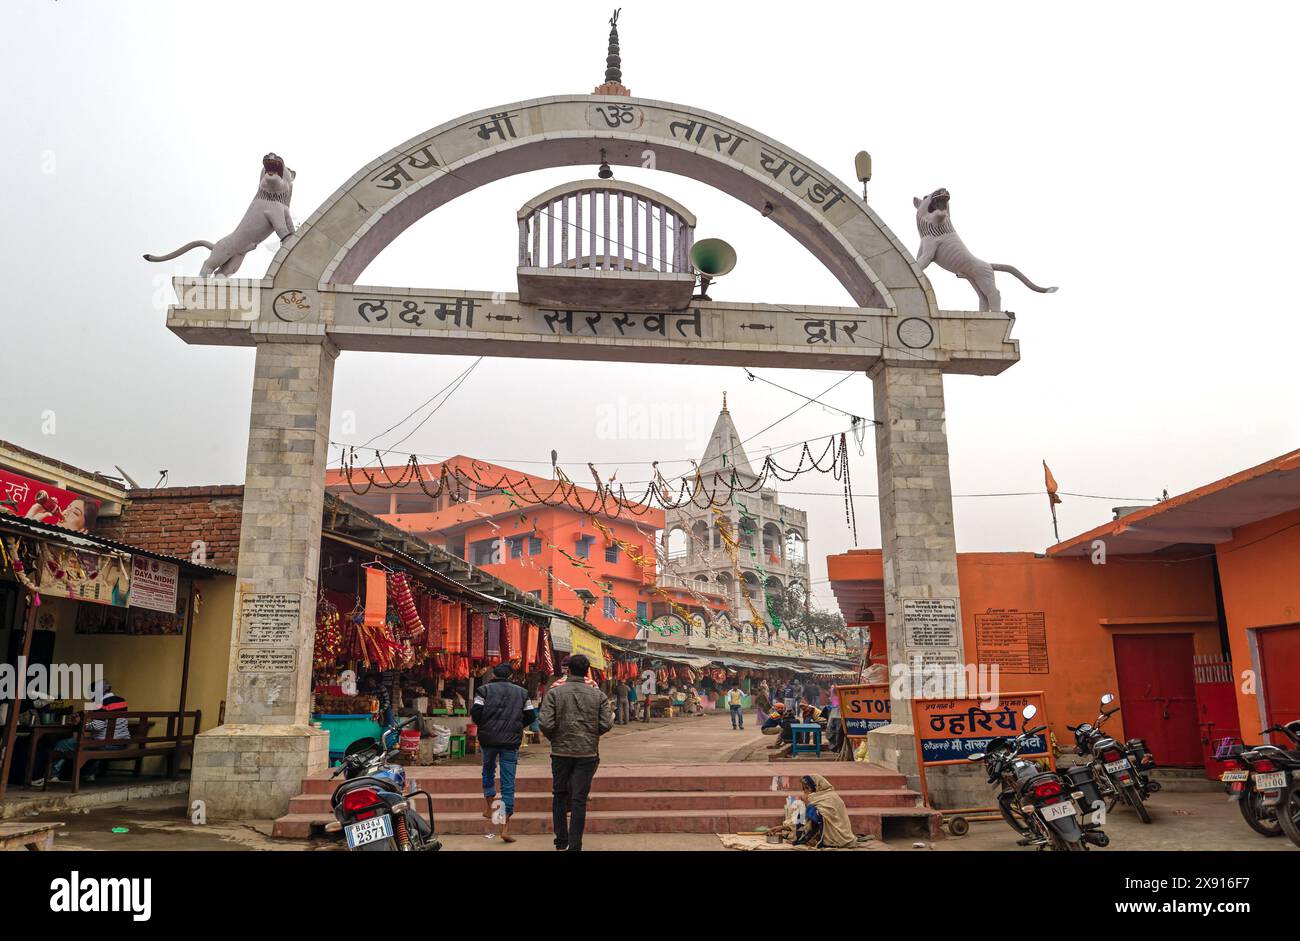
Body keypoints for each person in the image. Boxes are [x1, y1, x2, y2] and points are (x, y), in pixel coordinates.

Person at [538, 654, 614, 852]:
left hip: (561, 752)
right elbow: (606, 723)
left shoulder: (554, 693)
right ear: (587, 671)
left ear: (568, 670)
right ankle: (575, 845)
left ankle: (561, 841)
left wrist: (555, 737)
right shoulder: (598, 695)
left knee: (559, 795)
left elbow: (545, 723)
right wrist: (591, 734)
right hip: (587, 753)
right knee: (579, 799)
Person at [471, 663, 535, 843]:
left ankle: (489, 806)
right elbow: (530, 716)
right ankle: (505, 827)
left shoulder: (483, 690)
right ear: (510, 676)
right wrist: (515, 726)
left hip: (488, 739)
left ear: (493, 674)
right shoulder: (522, 693)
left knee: (488, 770)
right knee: (508, 782)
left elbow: (476, 712)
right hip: (510, 742)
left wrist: (485, 725)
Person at [41, 680, 129, 786]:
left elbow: (98, 726)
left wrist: (81, 723)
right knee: (92, 742)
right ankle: (89, 773)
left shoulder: (100, 704)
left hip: (105, 744)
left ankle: (52, 776)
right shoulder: (122, 701)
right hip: (121, 742)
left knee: (62, 744)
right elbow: (107, 714)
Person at [791, 774, 857, 848]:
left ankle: (808, 838)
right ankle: (806, 837)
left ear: (817, 786)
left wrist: (807, 804)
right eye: (804, 788)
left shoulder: (829, 797)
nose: (806, 791)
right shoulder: (817, 796)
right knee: (805, 810)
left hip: (836, 835)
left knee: (809, 810)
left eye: (807, 788)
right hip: (828, 830)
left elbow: (823, 816)